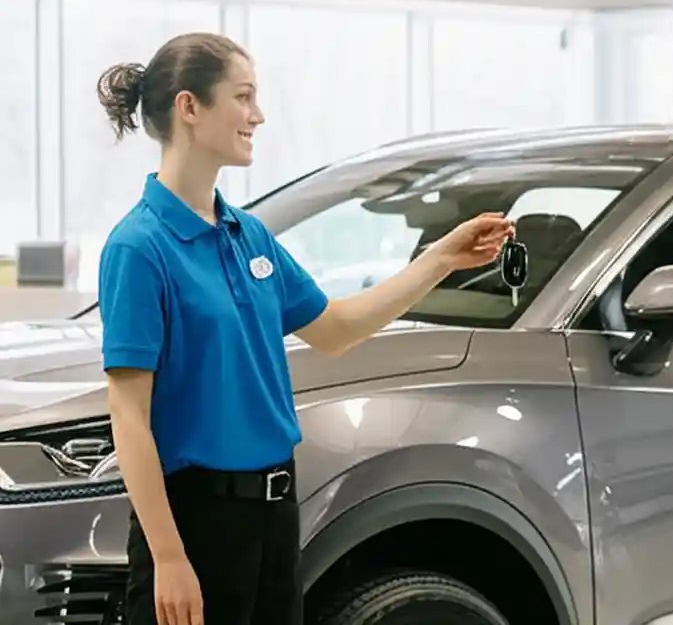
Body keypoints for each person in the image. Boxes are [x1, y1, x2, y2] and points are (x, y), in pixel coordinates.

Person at [94, 32, 513, 625]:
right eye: (243, 97)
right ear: (190, 107)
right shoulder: (139, 247)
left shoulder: (248, 236)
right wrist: (168, 555)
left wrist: (439, 260)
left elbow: (336, 329)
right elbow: (129, 418)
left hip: (274, 515)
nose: (257, 115)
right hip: (195, 524)